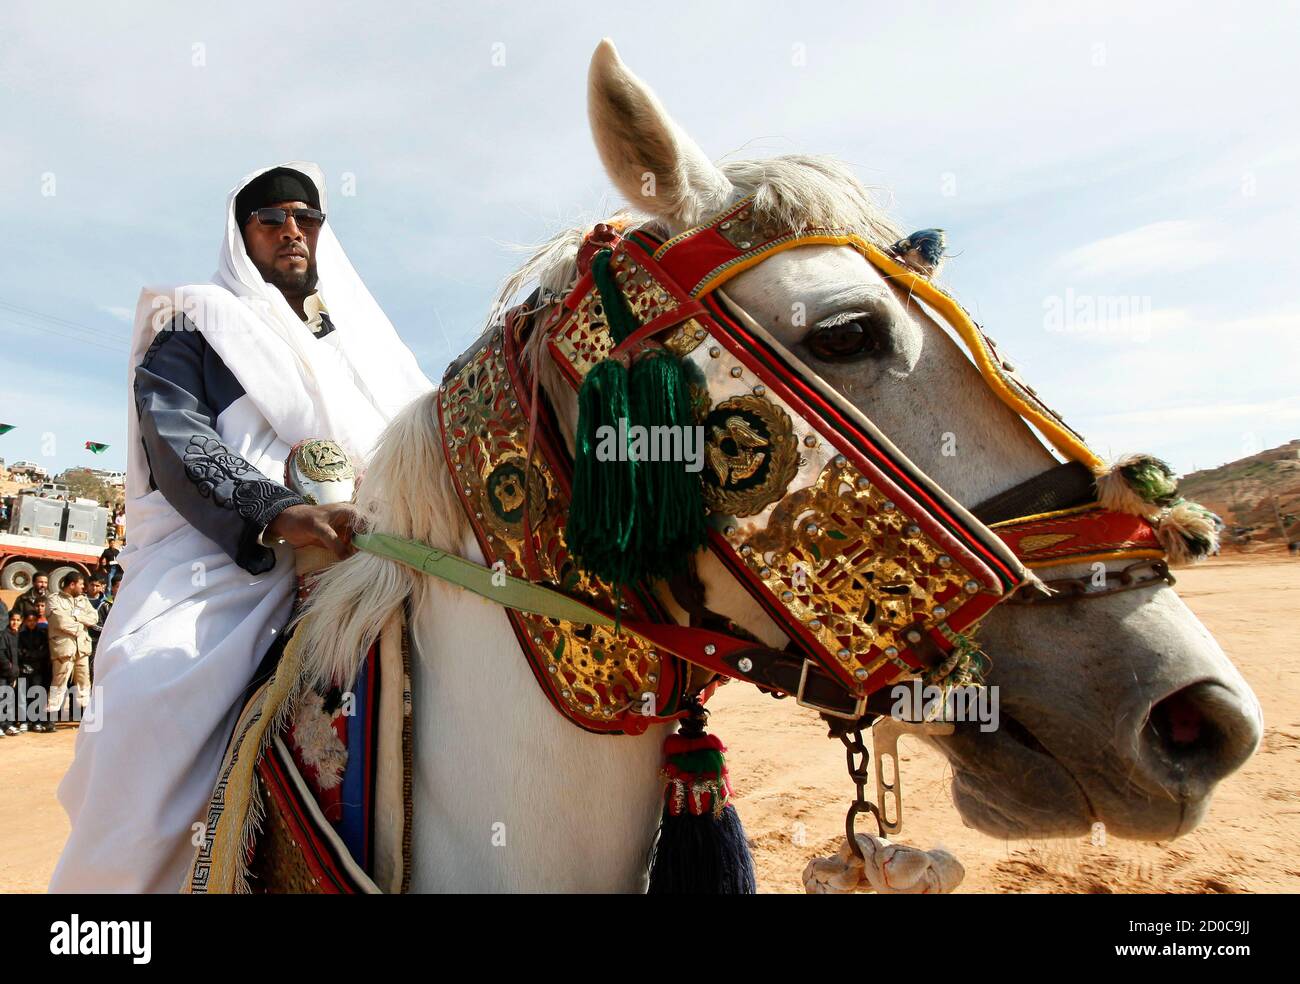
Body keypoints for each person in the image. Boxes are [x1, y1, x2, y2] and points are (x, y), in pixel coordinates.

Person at [51, 163, 431, 892]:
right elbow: (177, 437)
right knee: (145, 701)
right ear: (241, 235)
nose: (292, 231)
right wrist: (283, 513)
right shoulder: (191, 324)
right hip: (222, 563)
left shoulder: (360, 344)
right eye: (272, 219)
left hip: (374, 545)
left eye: (307, 219)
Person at [47, 572, 97, 720]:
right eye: (81, 584)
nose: (84, 588)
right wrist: (80, 626)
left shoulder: (83, 600)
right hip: (64, 649)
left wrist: (76, 617)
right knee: (59, 682)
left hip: (82, 649)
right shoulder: (54, 599)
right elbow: (60, 622)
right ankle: (50, 718)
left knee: (84, 683)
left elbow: (94, 618)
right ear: (72, 584)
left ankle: (84, 717)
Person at [17, 611, 51, 733]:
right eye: (29, 620)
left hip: (38, 670)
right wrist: (29, 657)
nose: (31, 623)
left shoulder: (42, 635)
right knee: (23, 696)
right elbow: (19, 652)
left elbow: (44, 652)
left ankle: (36, 721)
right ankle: (23, 721)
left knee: (36, 695)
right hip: (23, 669)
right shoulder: (20, 635)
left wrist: (31, 655)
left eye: (33, 620)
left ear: (37, 620)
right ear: (25, 621)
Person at [1, 610, 21, 736]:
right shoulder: (4, 635)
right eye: (13, 620)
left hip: (14, 674)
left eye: (18, 620)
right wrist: (8, 667)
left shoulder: (20, 635)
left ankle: (8, 725)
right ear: (9, 620)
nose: (15, 622)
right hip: (3, 673)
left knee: (10, 700)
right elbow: (1, 654)